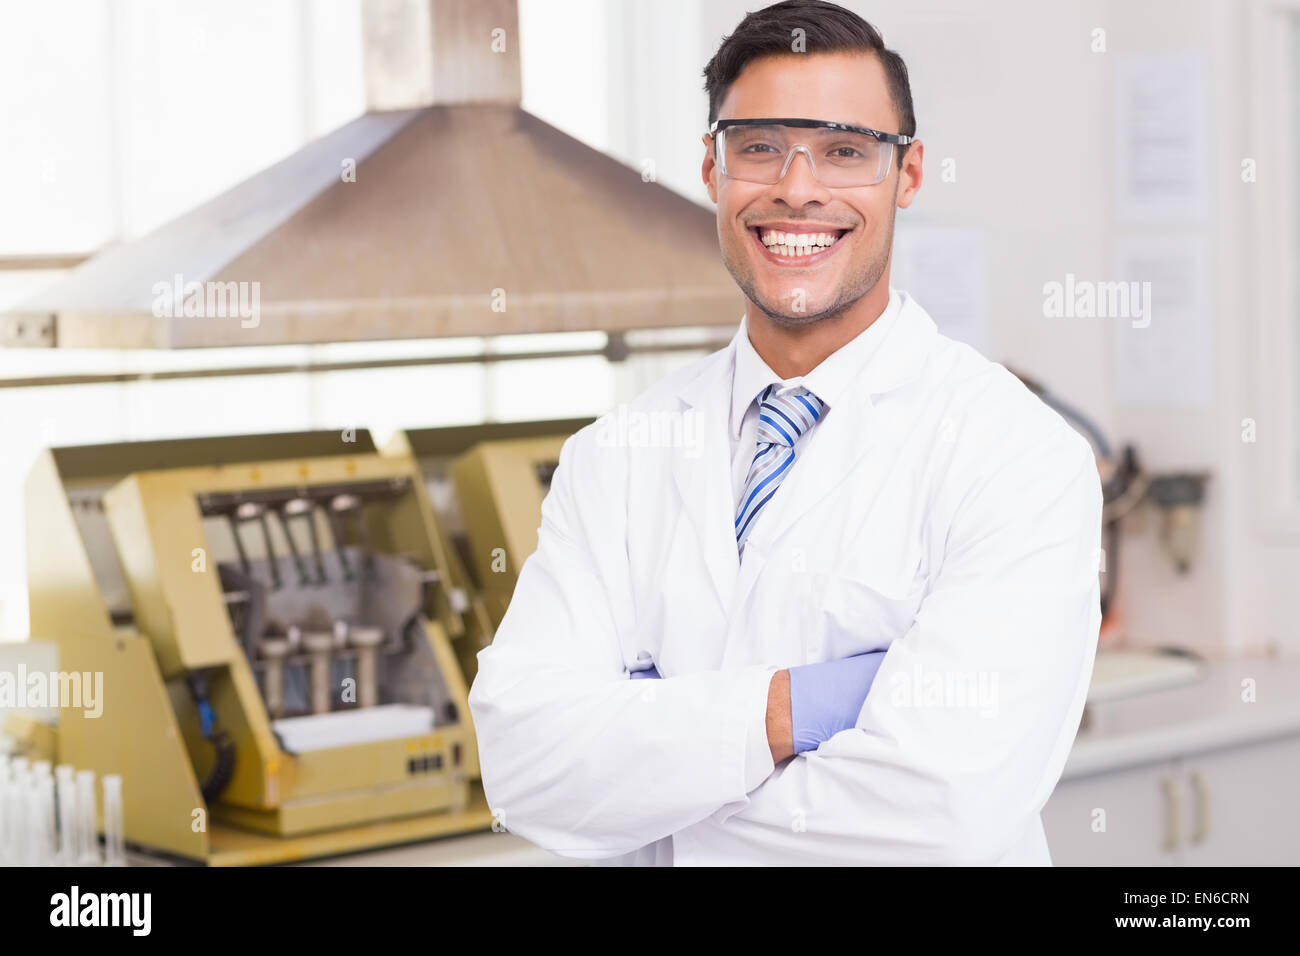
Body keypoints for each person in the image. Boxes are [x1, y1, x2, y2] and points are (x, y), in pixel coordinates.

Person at [468, 0, 1102, 865]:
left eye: (845, 150)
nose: (797, 188)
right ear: (712, 166)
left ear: (906, 174)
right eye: (759, 146)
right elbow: (523, 763)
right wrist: (796, 710)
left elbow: (942, 811)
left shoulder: (1018, 458)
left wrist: (649, 770)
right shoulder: (611, 458)